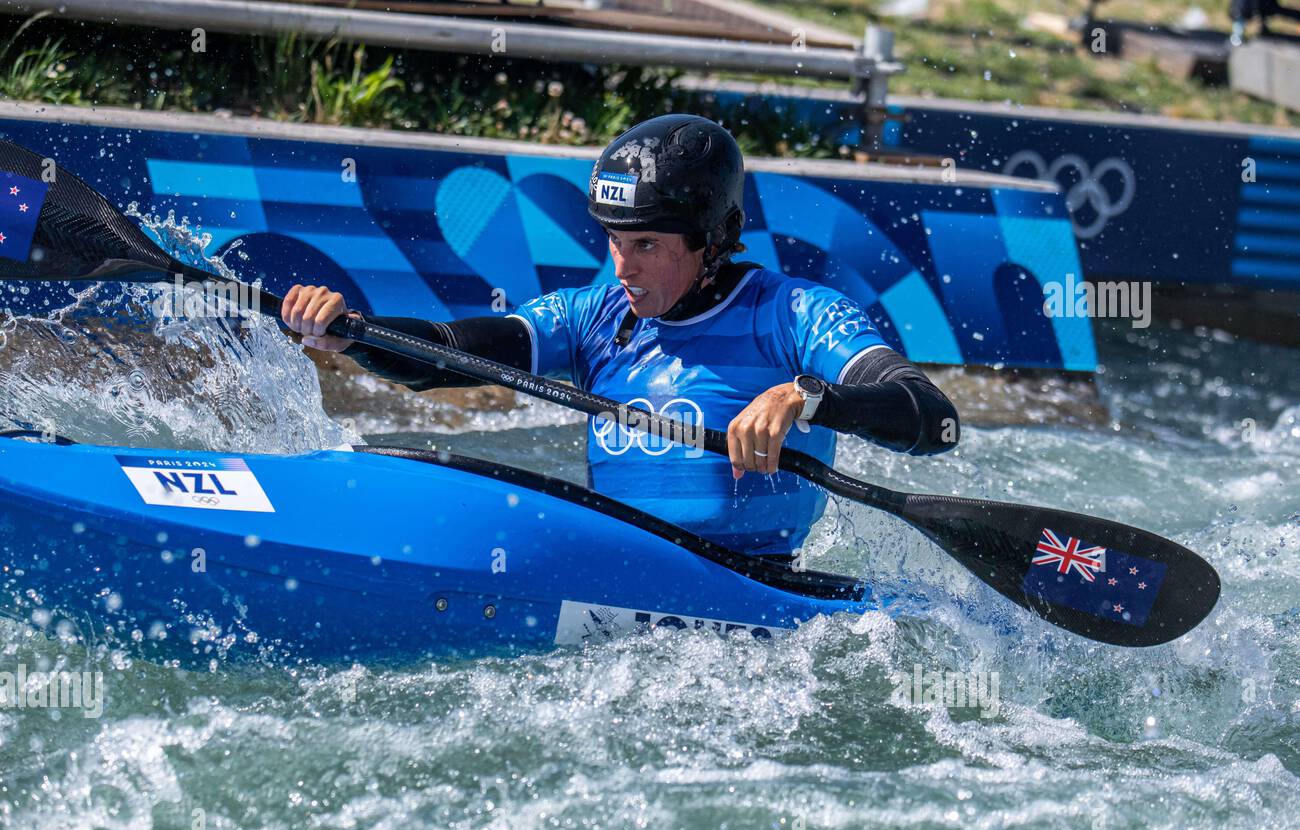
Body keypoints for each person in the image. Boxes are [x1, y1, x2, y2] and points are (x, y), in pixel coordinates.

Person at [282, 113, 959, 562]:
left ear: (711, 241)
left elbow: (932, 418)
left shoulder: (795, 315)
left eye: (646, 244)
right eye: (612, 239)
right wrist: (354, 334)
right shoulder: (593, 315)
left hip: (755, 599)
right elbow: (447, 354)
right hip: (618, 574)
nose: (622, 266)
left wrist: (808, 397)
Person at [1231, 0, 1300, 44]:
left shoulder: (1241, 12)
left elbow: (1255, 7)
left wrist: (1257, 13)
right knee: (1282, 11)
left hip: (1264, 4)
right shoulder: (1237, 9)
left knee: (1281, 11)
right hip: (1264, 5)